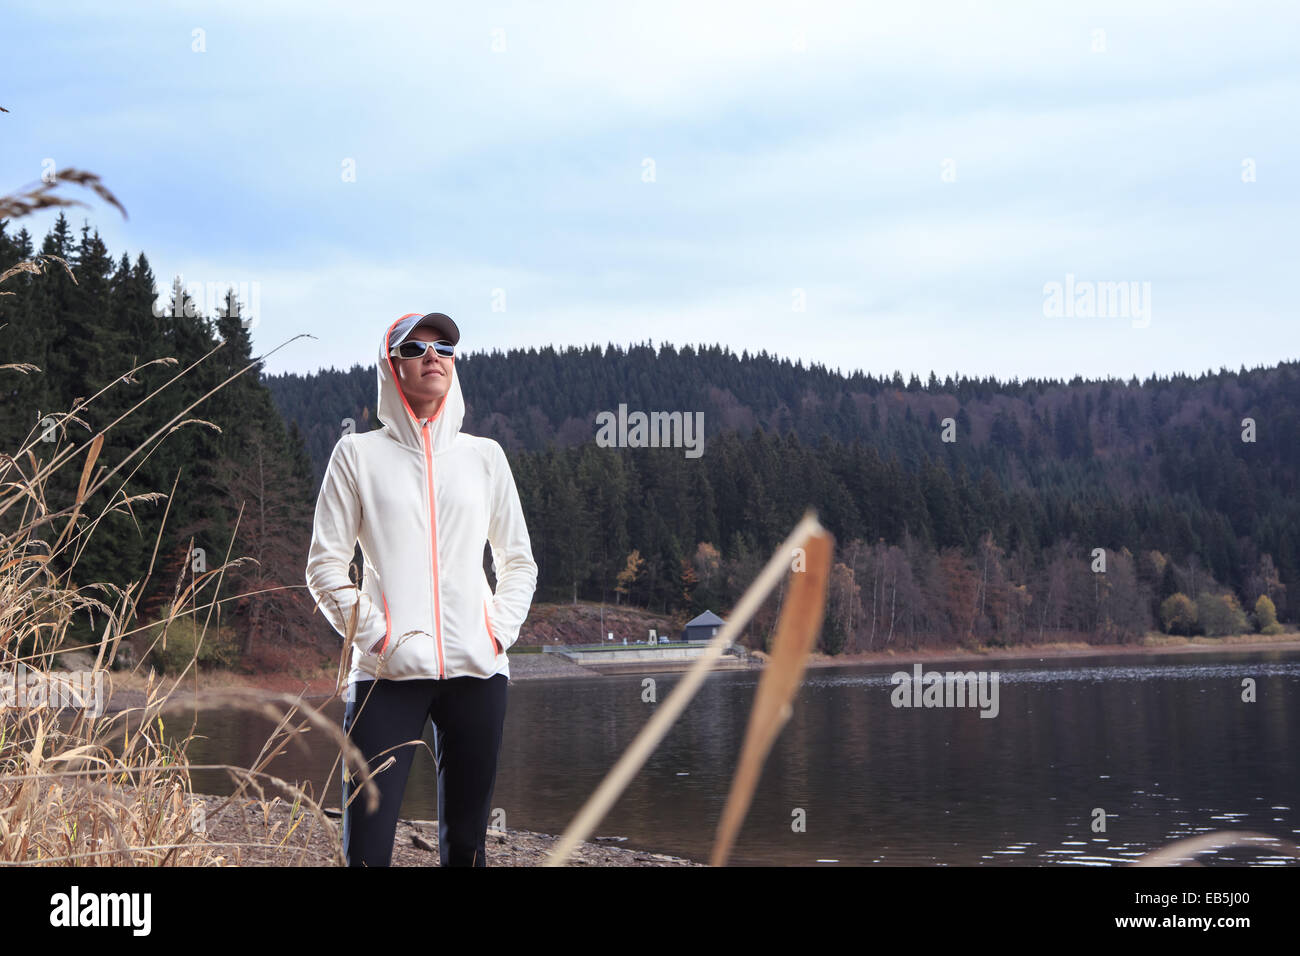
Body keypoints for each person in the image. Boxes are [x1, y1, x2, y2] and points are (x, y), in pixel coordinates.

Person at [305, 311, 538, 866]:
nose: (432, 356)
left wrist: (497, 631)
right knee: (366, 848)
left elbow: (519, 562)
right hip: (387, 676)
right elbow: (324, 567)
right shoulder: (356, 455)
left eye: (444, 348)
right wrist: (380, 638)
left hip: (479, 673)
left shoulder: (485, 458)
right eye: (415, 348)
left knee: (467, 847)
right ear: (392, 367)